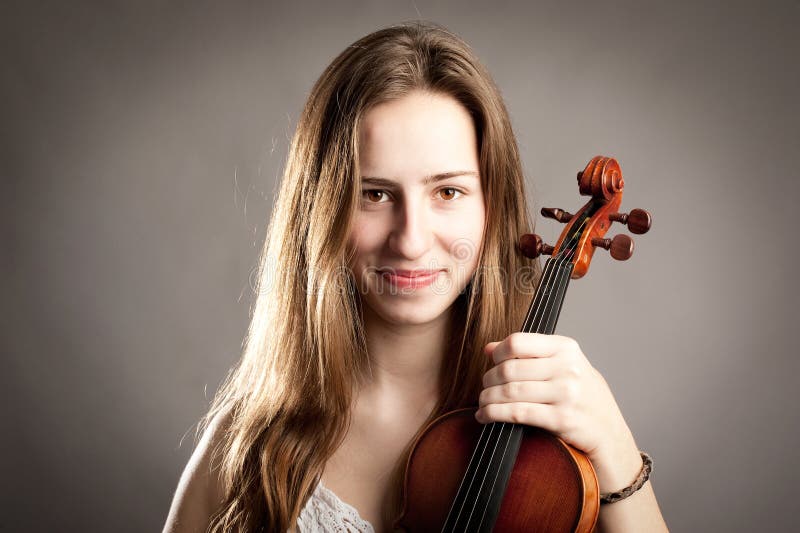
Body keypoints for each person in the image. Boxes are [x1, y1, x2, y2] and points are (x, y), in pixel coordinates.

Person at [163, 21, 668, 533]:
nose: (410, 241)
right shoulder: (248, 447)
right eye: (374, 194)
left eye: (447, 192)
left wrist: (617, 454)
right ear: (322, 211)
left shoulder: (564, 438)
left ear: (491, 205)